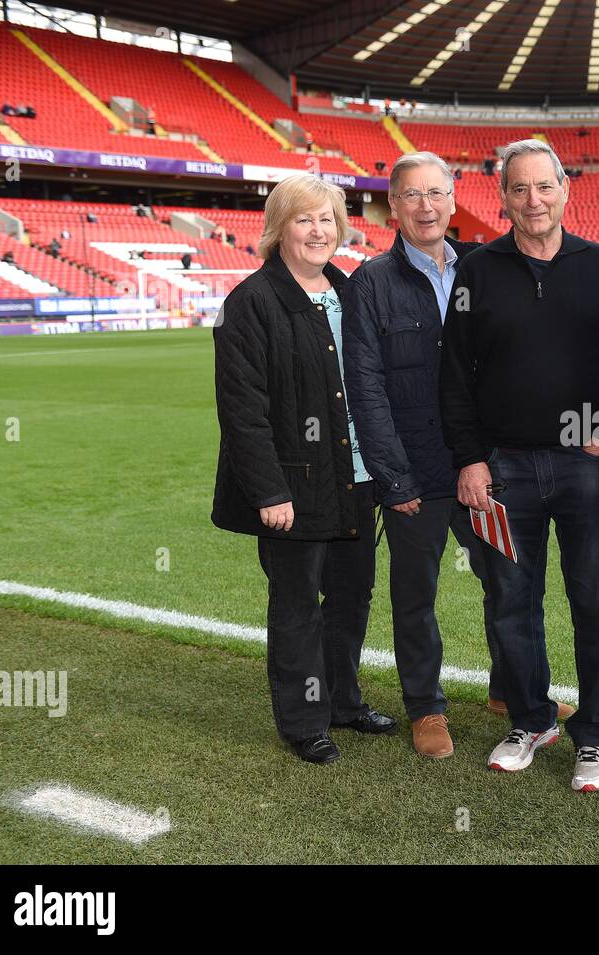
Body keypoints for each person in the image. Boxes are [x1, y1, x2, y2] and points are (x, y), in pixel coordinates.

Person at [344, 152, 573, 758]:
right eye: (412, 195)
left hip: (489, 470)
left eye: (437, 194)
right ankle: (426, 706)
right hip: (415, 473)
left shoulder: (486, 266)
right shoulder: (371, 282)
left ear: (455, 199)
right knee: (415, 594)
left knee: (511, 583)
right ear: (393, 206)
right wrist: (394, 477)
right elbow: (366, 387)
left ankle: (516, 691)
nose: (426, 206)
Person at [440, 140, 599, 792]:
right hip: (503, 469)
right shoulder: (478, 270)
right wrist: (468, 458)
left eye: (544, 187)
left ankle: (596, 735)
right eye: (519, 189)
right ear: (504, 198)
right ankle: (530, 717)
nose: (533, 200)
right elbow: (455, 375)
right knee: (511, 602)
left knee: (597, 603)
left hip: (588, 467)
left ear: (565, 190)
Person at [211, 172, 397, 765]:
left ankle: (343, 699)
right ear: (279, 228)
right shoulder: (251, 303)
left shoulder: (349, 291)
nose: (319, 231)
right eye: (304, 219)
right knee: (296, 609)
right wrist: (269, 489)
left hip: (355, 478)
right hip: (293, 486)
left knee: (351, 598)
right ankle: (304, 719)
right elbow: (243, 412)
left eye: (327, 220)